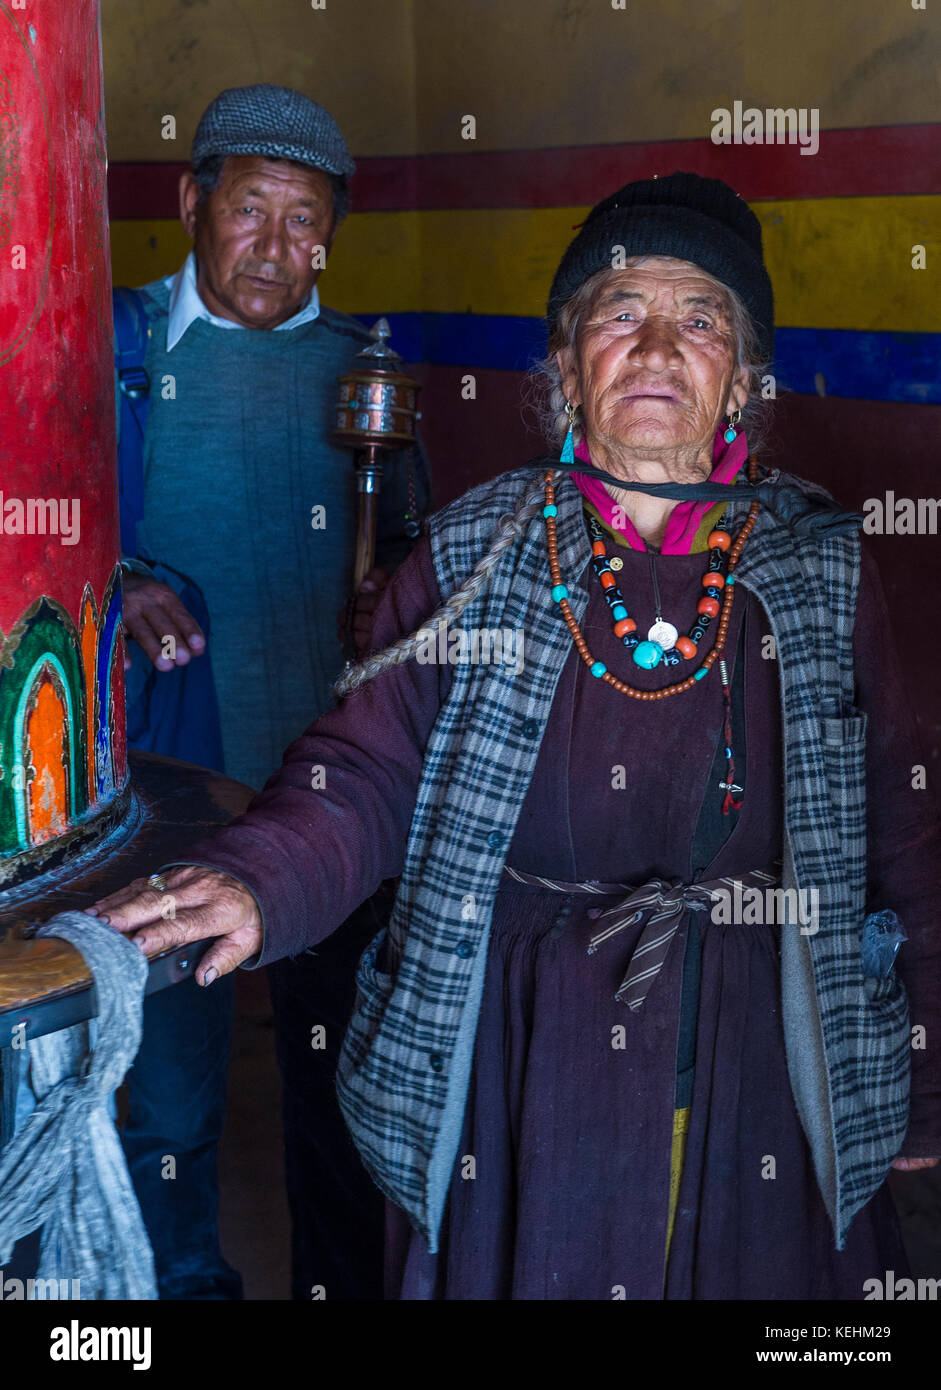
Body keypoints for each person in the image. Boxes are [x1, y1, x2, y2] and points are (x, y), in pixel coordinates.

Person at [92, 171, 941, 1299]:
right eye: (618, 314)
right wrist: (257, 879)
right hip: (529, 1042)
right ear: (563, 368)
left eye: (698, 321)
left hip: (757, 1041)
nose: (654, 349)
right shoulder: (476, 552)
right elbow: (365, 766)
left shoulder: (820, 569)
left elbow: (904, 827)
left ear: (739, 379)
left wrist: (921, 1081)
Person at [114, 83, 428, 1300]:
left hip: (328, 807)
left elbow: (415, 568)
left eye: (309, 224)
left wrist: (398, 582)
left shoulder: (368, 379)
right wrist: (121, 583)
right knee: (170, 1105)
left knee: (341, 1103)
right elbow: (33, 550)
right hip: (166, 808)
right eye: (253, 211)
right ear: (191, 203)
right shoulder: (114, 357)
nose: (279, 248)